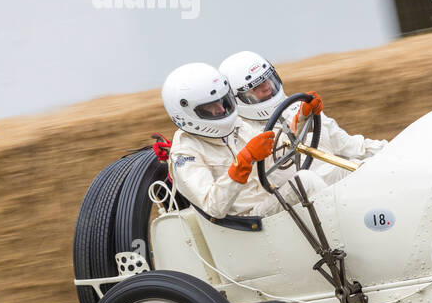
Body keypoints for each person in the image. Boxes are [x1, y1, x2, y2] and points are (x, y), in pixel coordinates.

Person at [161, 62, 320, 218]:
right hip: (247, 219)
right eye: (210, 107)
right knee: (306, 181)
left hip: (270, 196)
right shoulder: (184, 154)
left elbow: (280, 153)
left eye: (223, 101)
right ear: (186, 113)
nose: (221, 109)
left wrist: (303, 117)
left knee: (329, 171)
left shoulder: (235, 125)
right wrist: (245, 160)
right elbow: (213, 207)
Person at [218, 50, 385, 187]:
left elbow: (351, 146)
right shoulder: (242, 136)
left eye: (268, 80)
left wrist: (391, 149)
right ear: (237, 98)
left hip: (343, 179)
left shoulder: (298, 107)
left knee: (375, 162)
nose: (267, 87)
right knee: (352, 172)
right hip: (307, 199)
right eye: (256, 87)